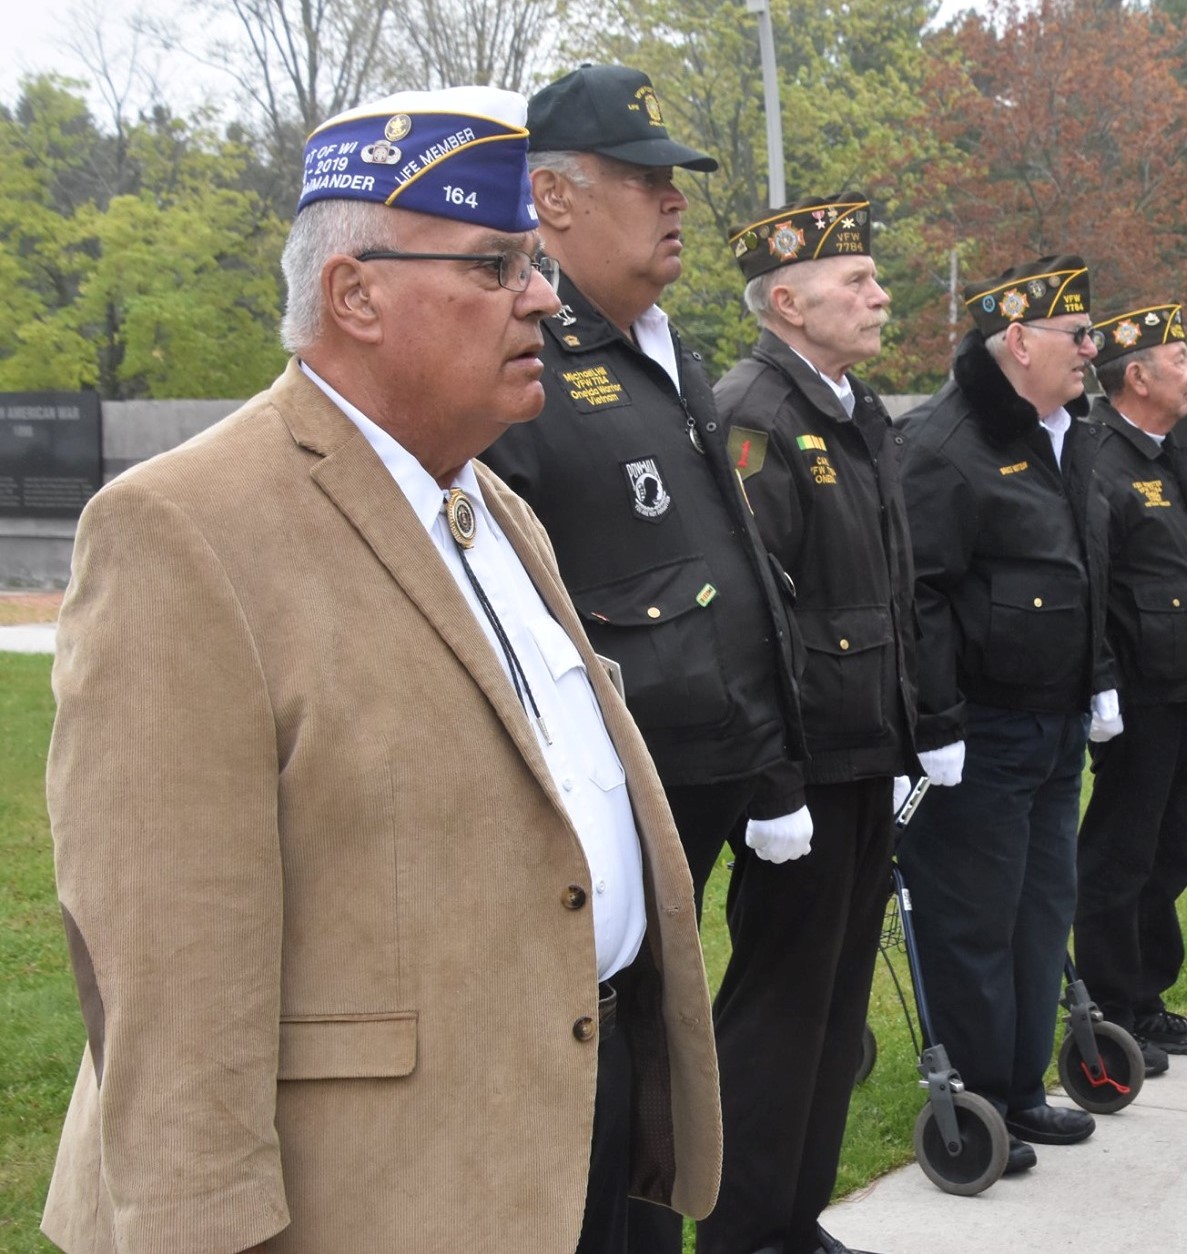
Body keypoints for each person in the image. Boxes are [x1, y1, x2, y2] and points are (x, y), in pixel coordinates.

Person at [40, 86, 720, 1254]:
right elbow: (165, 957)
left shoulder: (488, 502)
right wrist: (203, 1228)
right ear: (355, 294)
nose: (543, 298)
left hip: (569, 1126)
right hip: (381, 1188)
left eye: (533, 264)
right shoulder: (181, 527)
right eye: (496, 266)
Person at [478, 63, 809, 1247]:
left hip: (702, 771)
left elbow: (725, 564)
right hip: (607, 792)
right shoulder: (524, 354)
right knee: (597, 1089)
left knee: (660, 1076)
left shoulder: (662, 346)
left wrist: (769, 762)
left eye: (674, 181)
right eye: (641, 178)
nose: (673, 201)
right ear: (552, 199)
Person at [700, 195, 917, 1254]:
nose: (880, 296)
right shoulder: (753, 413)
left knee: (833, 1007)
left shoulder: (851, 407)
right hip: (804, 765)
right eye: (855, 282)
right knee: (779, 1010)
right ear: (787, 303)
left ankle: (796, 1219)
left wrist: (911, 730)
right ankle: (743, 1232)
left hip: (863, 747)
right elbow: (751, 615)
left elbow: (885, 587)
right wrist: (771, 782)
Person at [898, 255, 1111, 1172]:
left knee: (1040, 910)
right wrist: (936, 721)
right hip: (981, 728)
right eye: (1079, 335)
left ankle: (1023, 1088)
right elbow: (918, 593)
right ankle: (979, 1099)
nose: (1093, 350)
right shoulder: (945, 444)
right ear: (1018, 340)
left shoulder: (1067, 434)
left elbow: (1082, 569)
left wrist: (1098, 676)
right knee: (974, 920)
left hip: (1055, 718)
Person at [1075, 302, 1187, 1066]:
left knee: (1170, 851)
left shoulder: (1169, 454)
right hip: (1139, 694)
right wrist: (1102, 684)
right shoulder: (1102, 459)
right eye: (1179, 359)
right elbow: (1096, 583)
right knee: (1122, 854)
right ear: (1136, 377)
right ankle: (1112, 1006)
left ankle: (1146, 996)